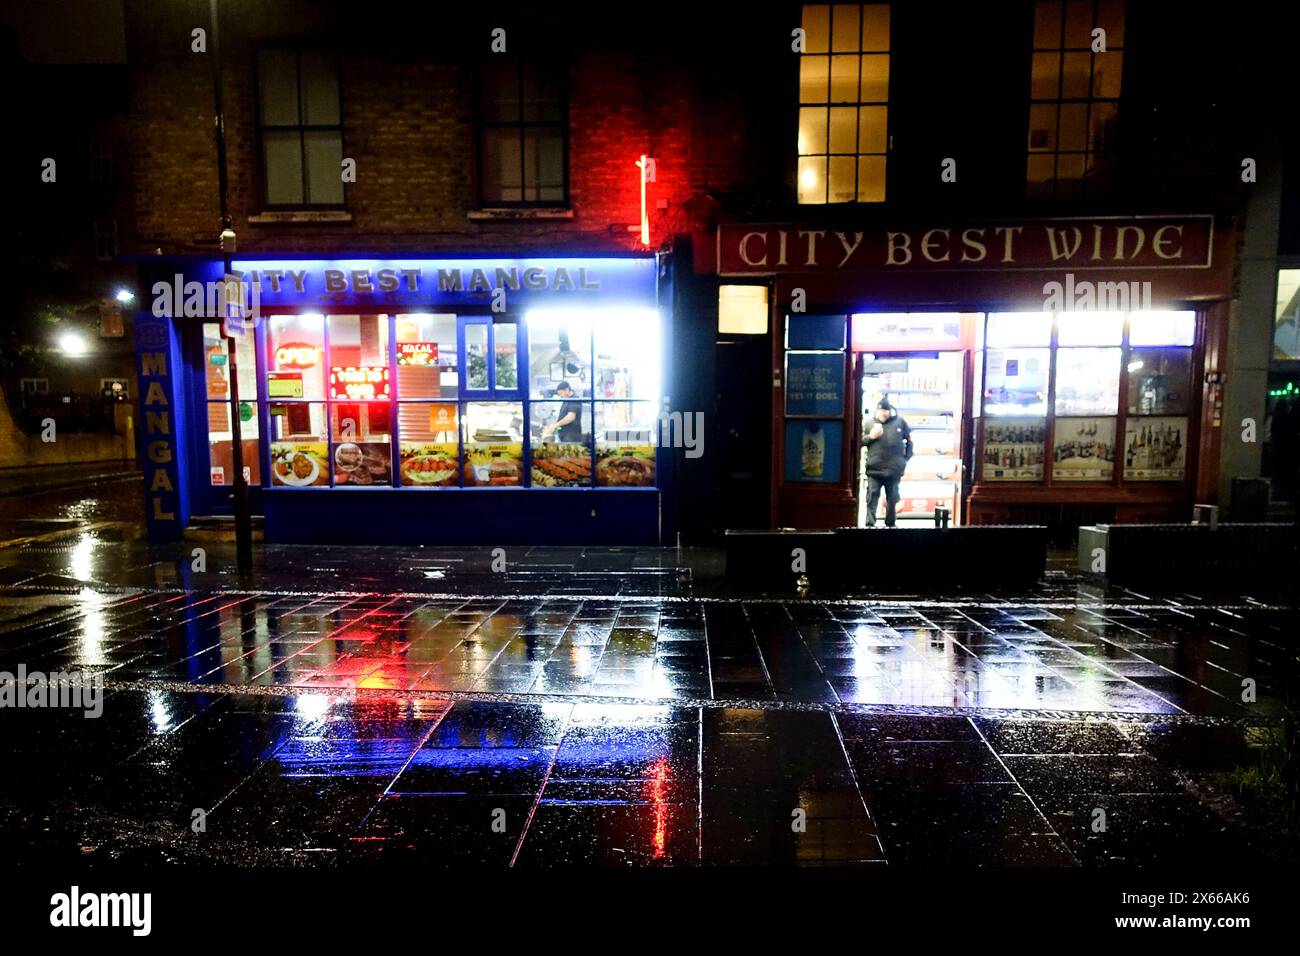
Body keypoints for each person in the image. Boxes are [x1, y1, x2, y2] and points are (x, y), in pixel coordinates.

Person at [863, 398, 912, 527]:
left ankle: (891, 523)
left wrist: (905, 458)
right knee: (872, 497)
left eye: (885, 410)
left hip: (894, 470)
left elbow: (909, 441)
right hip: (874, 469)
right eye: (880, 410)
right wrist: (871, 437)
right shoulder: (869, 423)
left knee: (892, 497)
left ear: (890, 411)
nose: (883, 413)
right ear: (876, 411)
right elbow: (860, 441)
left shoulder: (900, 423)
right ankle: (870, 523)